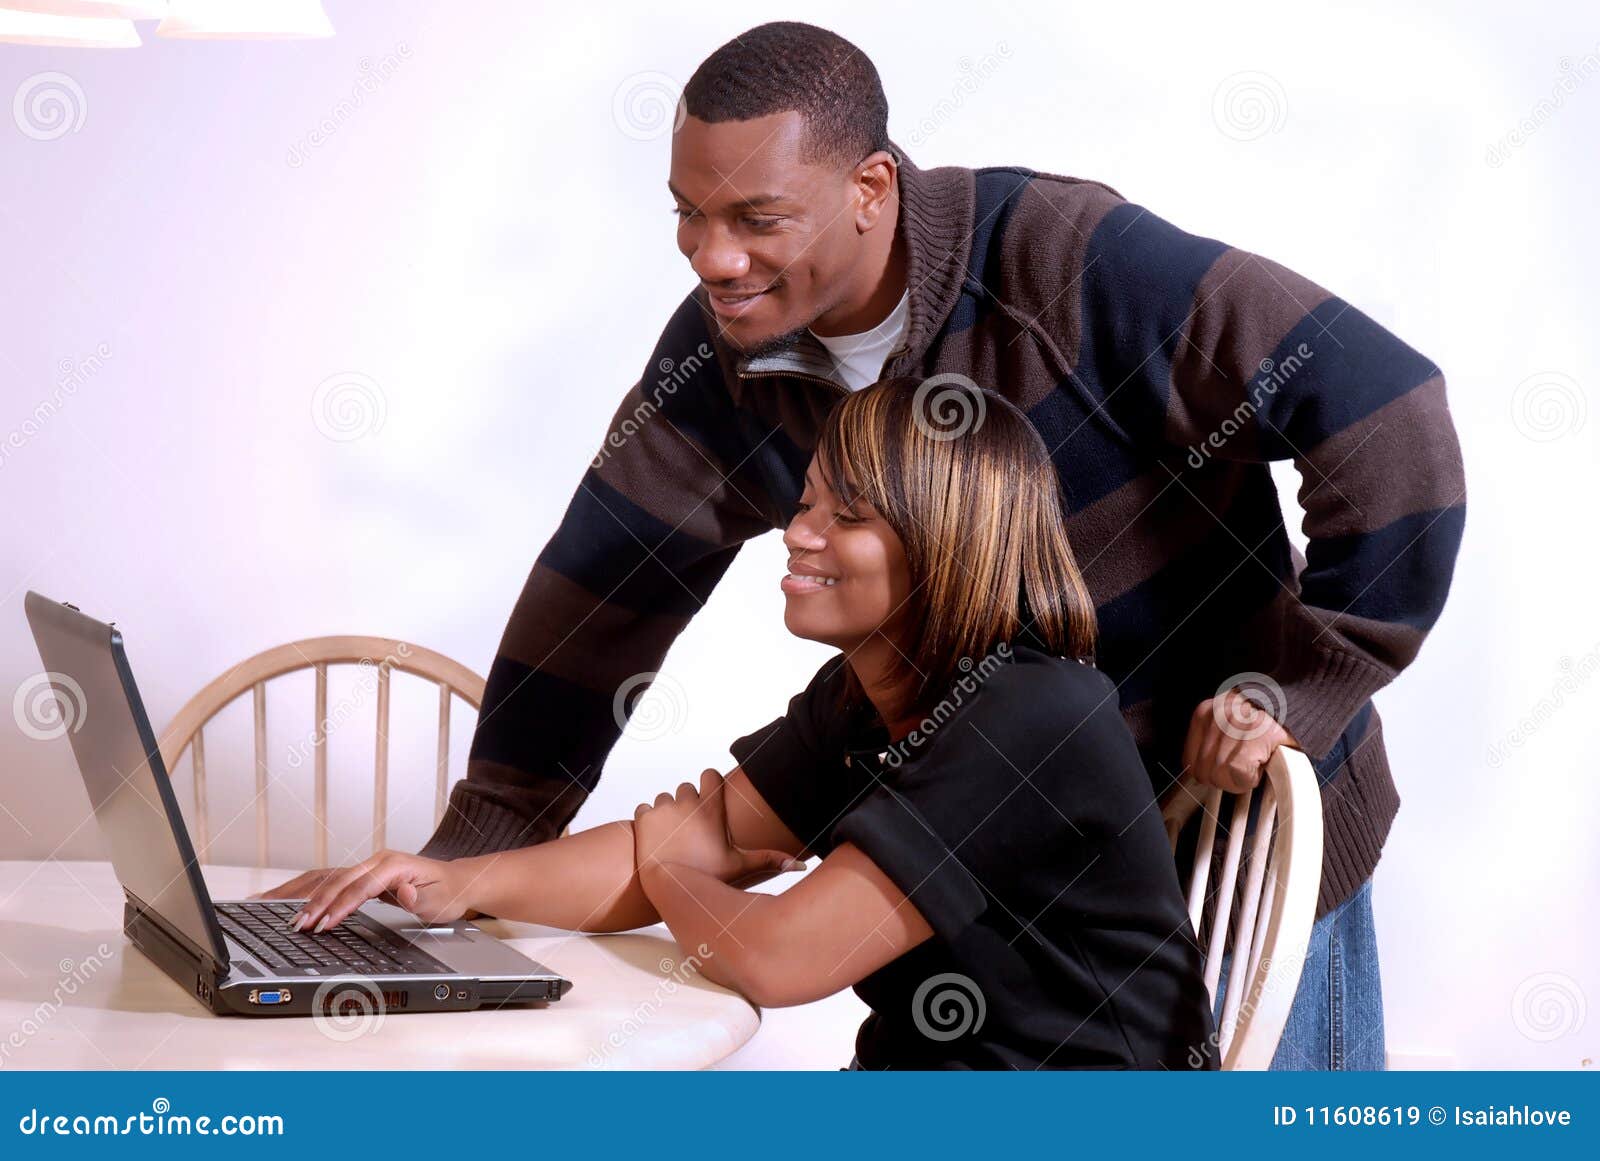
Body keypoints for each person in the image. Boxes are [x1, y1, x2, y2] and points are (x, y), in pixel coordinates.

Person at [265, 22, 1466, 1071]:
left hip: (1234, 835)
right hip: (1000, 884)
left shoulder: (1063, 262)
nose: (710, 256)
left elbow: (1385, 411)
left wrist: (1299, 690)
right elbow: (603, 590)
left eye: (755, 218)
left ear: (870, 186)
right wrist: (468, 865)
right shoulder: (737, 368)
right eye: (687, 215)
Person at [290, 381, 1218, 1070]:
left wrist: (674, 868)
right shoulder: (857, 697)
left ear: (946, 542)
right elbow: (681, 845)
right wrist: (455, 883)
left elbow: (776, 956)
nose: (799, 533)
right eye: (808, 500)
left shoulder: (1028, 712)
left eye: (846, 515)